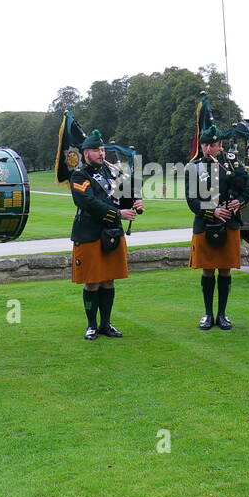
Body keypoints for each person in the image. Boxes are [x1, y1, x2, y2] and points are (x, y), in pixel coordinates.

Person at [70, 129, 142, 339]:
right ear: (86, 154)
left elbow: (121, 196)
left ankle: (106, 324)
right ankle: (92, 325)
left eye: (102, 149)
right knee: (92, 281)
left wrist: (135, 203)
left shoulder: (111, 173)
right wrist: (118, 213)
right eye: (96, 150)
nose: (101, 153)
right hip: (90, 233)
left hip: (111, 232)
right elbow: (87, 201)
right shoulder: (79, 175)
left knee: (109, 280)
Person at [186, 124, 249, 330]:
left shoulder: (233, 164)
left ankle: (222, 314)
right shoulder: (194, 167)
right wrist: (212, 211)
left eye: (212, 145)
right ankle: (208, 314)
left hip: (229, 224)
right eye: (205, 145)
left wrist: (240, 201)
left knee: (225, 271)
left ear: (220, 145)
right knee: (207, 271)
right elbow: (191, 200)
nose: (208, 149)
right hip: (205, 224)